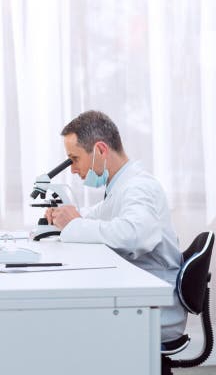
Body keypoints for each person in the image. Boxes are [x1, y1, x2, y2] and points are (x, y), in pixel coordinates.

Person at [47, 110, 187, 344]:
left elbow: (134, 235)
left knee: (60, 324)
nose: (72, 169)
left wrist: (74, 224)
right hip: (140, 296)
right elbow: (93, 218)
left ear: (101, 150)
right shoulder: (121, 187)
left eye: (74, 159)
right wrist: (66, 218)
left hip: (153, 309)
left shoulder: (138, 187)